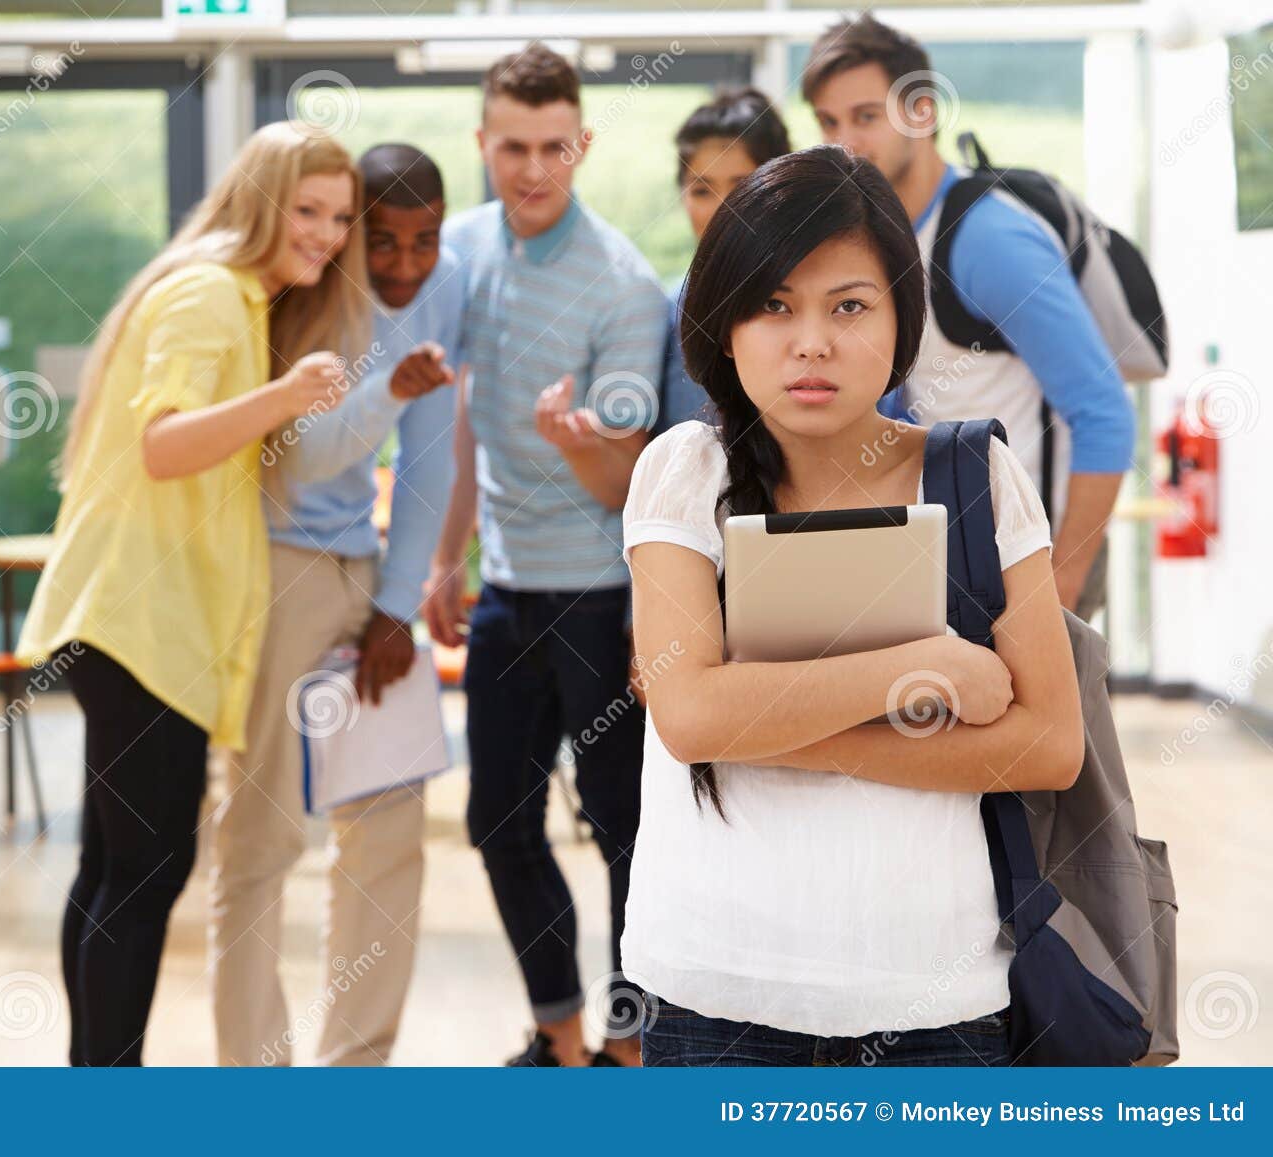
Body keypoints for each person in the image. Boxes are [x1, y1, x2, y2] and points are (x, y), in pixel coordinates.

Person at [623, 145, 1084, 1067]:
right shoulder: (686, 472)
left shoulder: (977, 476)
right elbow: (692, 712)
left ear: (900, 319)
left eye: (849, 306)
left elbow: (1049, 745)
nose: (812, 344)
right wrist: (925, 673)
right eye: (772, 306)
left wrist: (770, 727)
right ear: (723, 325)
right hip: (718, 992)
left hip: (939, 997)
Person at [13, 122, 372, 1067]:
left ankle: (95, 1080)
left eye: (339, 218)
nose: (327, 235)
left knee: (114, 869)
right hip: (144, 623)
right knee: (144, 871)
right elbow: (164, 444)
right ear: (260, 200)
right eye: (308, 210)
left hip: (137, 623)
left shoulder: (230, 298)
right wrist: (288, 396)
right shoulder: (211, 296)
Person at [423, 42, 667, 1068]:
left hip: (601, 595)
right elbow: (462, 417)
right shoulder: (464, 250)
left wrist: (580, 445)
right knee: (497, 819)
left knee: (623, 829)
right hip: (505, 592)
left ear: (583, 144)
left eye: (551, 147)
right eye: (511, 147)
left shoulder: (624, 283)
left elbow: (627, 483)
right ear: (482, 143)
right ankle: (559, 1031)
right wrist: (446, 559)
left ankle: (631, 1042)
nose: (531, 169)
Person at [208, 142, 463, 1067]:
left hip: (365, 570)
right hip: (276, 570)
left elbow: (432, 451)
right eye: (380, 240)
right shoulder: (305, 290)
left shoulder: (448, 283)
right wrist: (391, 390)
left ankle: (355, 1076)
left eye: (424, 241)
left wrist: (400, 600)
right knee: (262, 833)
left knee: (389, 829)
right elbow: (300, 452)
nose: (402, 266)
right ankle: (256, 1080)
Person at [803, 13, 1135, 619]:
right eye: (829, 121)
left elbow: (1105, 413)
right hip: (948, 558)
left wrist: (1061, 583)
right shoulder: (879, 237)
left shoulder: (989, 240)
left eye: (866, 117)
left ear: (922, 113)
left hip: (1030, 561)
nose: (845, 141)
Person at [657, 86, 792, 436]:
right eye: (702, 190)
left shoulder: (825, 296)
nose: (722, 210)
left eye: (741, 186)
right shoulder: (671, 310)